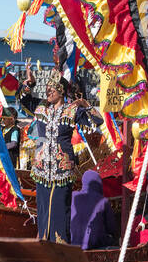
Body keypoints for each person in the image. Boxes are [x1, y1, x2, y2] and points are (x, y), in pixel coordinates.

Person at [26, 72, 99, 242]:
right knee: (43, 207)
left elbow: (97, 121)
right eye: (47, 89)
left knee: (60, 207)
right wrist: (29, 84)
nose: (48, 92)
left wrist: (85, 104)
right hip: (42, 167)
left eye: (52, 89)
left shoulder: (72, 110)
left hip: (62, 168)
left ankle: (60, 244)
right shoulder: (40, 108)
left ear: (61, 91)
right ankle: (44, 241)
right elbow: (23, 98)